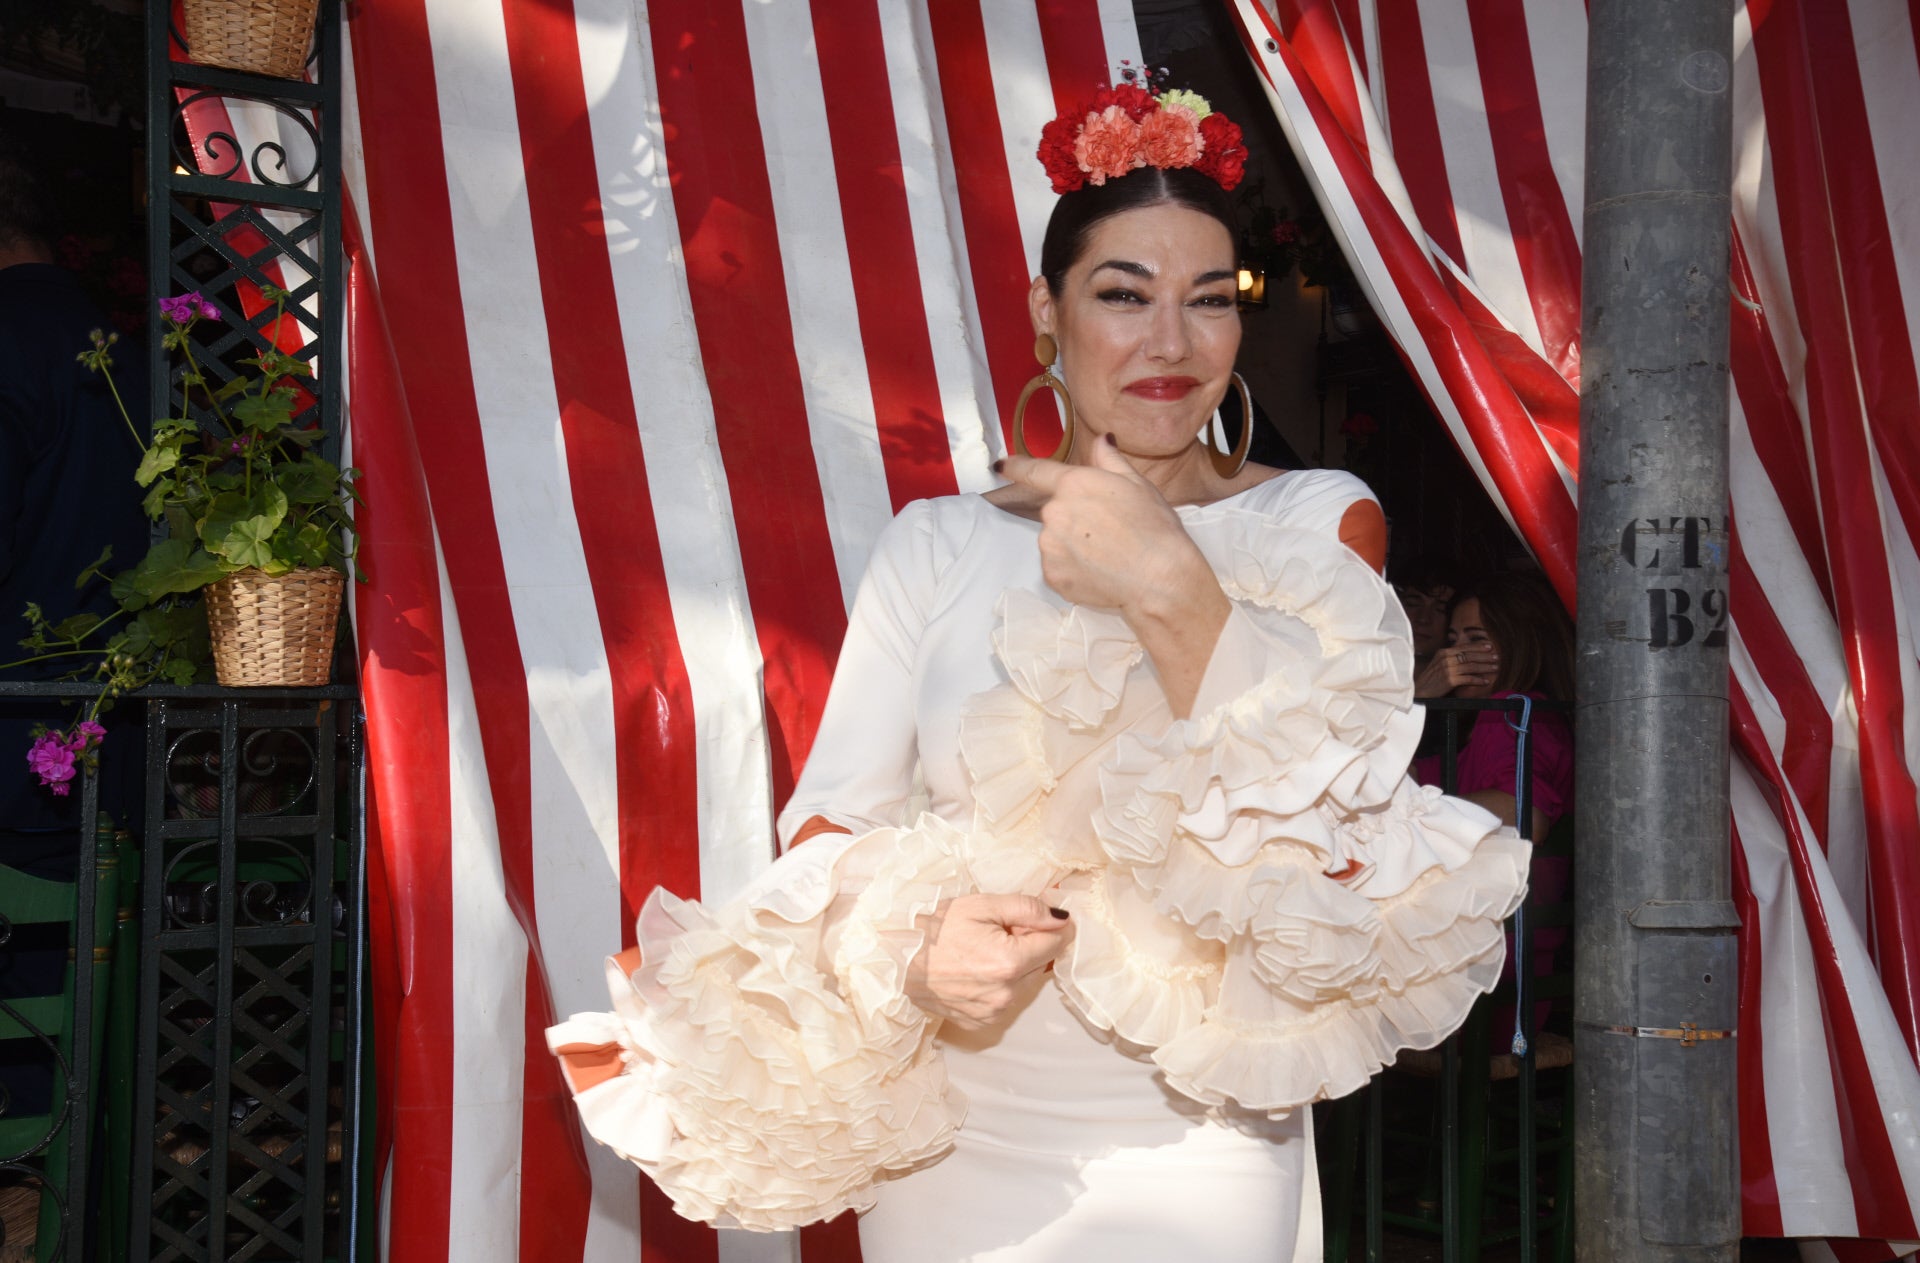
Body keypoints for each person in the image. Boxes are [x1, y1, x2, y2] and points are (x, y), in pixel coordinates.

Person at [548, 85, 1529, 1261]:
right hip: (957, 1129)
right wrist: (916, 956)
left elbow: (1326, 803)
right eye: (1123, 296)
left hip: (1200, 1124)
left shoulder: (1319, 522)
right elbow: (832, 822)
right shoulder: (937, 542)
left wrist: (1164, 576)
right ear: (1046, 313)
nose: (1170, 342)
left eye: (1209, 303)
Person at [1413, 570, 1575, 843]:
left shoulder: (1512, 710)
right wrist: (1417, 697)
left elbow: (1524, 815)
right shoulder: (1481, 724)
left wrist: (1411, 816)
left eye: (1476, 639)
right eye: (1452, 641)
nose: (1451, 655)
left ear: (1519, 642)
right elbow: (1393, 781)